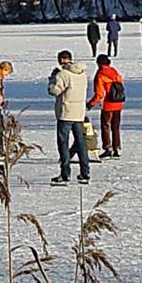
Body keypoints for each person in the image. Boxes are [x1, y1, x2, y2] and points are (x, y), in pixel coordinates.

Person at [47, 50, 91, 185]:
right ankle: (85, 172)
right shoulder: (82, 74)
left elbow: (54, 91)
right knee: (80, 142)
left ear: (60, 60)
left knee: (63, 143)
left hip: (66, 112)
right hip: (79, 112)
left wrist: (52, 80)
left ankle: (65, 173)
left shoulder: (63, 74)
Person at [88, 53, 125, 159]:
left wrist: (91, 103)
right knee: (116, 127)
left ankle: (107, 148)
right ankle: (117, 148)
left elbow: (99, 94)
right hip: (118, 103)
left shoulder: (100, 74)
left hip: (108, 105)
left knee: (105, 126)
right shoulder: (114, 72)